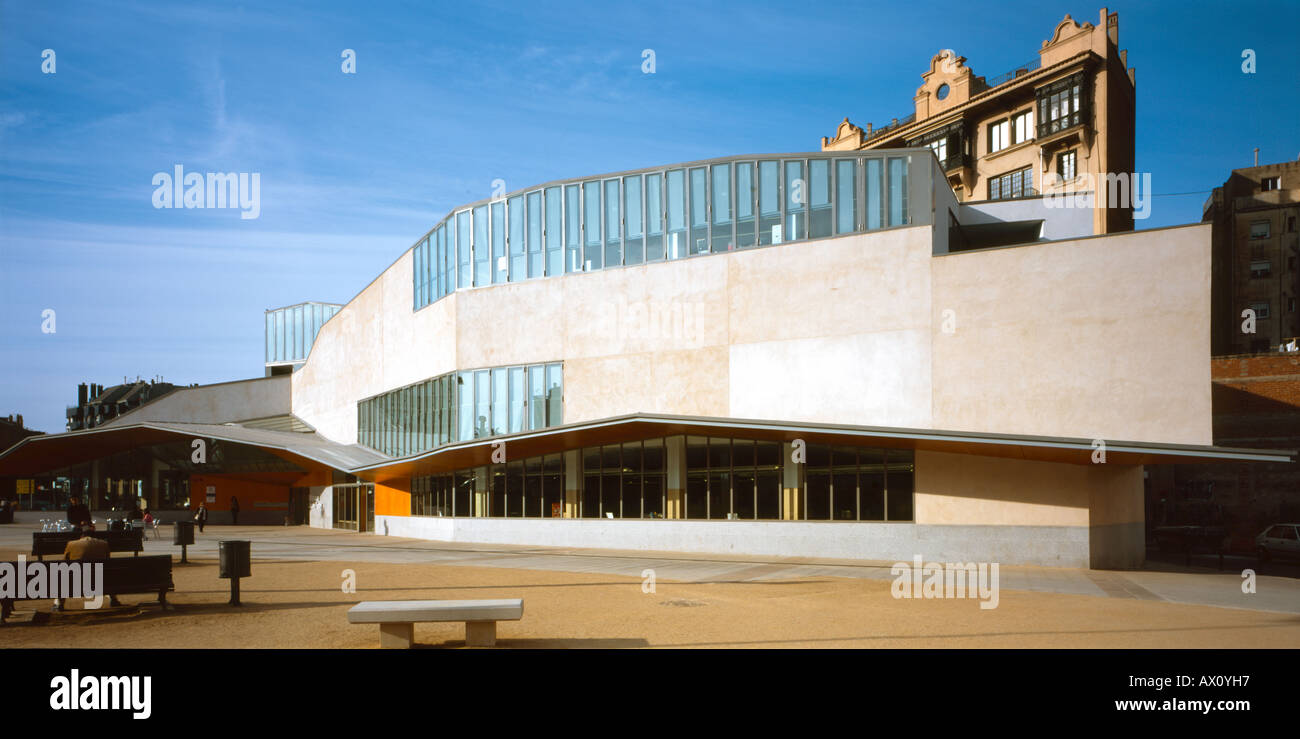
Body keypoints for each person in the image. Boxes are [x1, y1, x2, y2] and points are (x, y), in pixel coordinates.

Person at [53, 525, 120, 611]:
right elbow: (108, 562)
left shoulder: (71, 544)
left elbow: (65, 562)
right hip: (100, 580)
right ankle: (114, 599)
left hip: (76, 581)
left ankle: (59, 603)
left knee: (63, 576)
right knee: (106, 574)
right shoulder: (104, 544)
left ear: (81, 536)